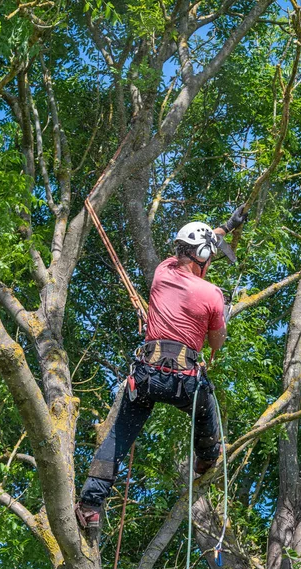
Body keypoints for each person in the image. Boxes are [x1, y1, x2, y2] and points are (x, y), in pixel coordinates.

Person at [76, 206, 247, 530]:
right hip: (184, 381)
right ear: (203, 256)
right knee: (207, 409)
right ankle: (207, 457)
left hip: (146, 376)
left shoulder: (163, 271)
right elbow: (216, 344)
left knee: (118, 437)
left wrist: (224, 227)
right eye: (209, 258)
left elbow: (201, 244)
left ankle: (89, 506)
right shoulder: (211, 294)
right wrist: (222, 312)